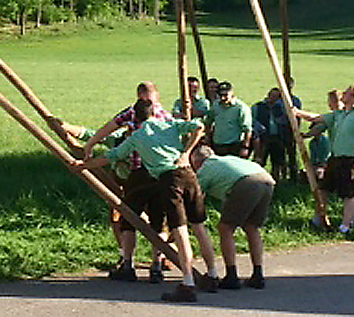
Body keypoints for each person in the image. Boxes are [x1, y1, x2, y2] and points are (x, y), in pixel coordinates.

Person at [79, 97, 219, 304]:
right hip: (189, 174)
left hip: (170, 181)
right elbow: (199, 126)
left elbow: (112, 156)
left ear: (135, 117)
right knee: (199, 226)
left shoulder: (137, 137)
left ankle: (188, 284)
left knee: (180, 232)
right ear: (154, 113)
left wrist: (83, 165)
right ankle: (213, 275)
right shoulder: (169, 124)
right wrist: (186, 153)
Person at [83, 81, 171, 282]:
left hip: (141, 173)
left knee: (134, 219)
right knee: (150, 221)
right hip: (157, 173)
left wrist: (90, 145)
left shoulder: (136, 113)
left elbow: (109, 128)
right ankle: (151, 266)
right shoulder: (165, 116)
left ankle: (135, 265)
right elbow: (110, 127)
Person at [190, 144, 275, 289]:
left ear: (197, 162)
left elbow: (196, 196)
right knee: (252, 227)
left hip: (246, 183)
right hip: (266, 180)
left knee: (226, 228)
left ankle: (231, 275)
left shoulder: (206, 168)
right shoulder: (227, 159)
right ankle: (258, 274)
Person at [296, 85, 354, 236]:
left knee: (349, 193)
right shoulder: (339, 114)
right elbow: (316, 118)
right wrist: (297, 113)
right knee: (324, 188)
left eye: (346, 93)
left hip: (352, 158)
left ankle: (346, 226)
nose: (343, 95)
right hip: (335, 158)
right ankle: (318, 219)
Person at [208, 81, 253, 158]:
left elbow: (247, 129)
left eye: (225, 95)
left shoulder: (241, 107)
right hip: (218, 145)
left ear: (231, 93)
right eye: (220, 95)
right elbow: (208, 122)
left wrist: (245, 147)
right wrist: (208, 139)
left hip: (234, 145)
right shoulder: (215, 105)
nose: (223, 98)